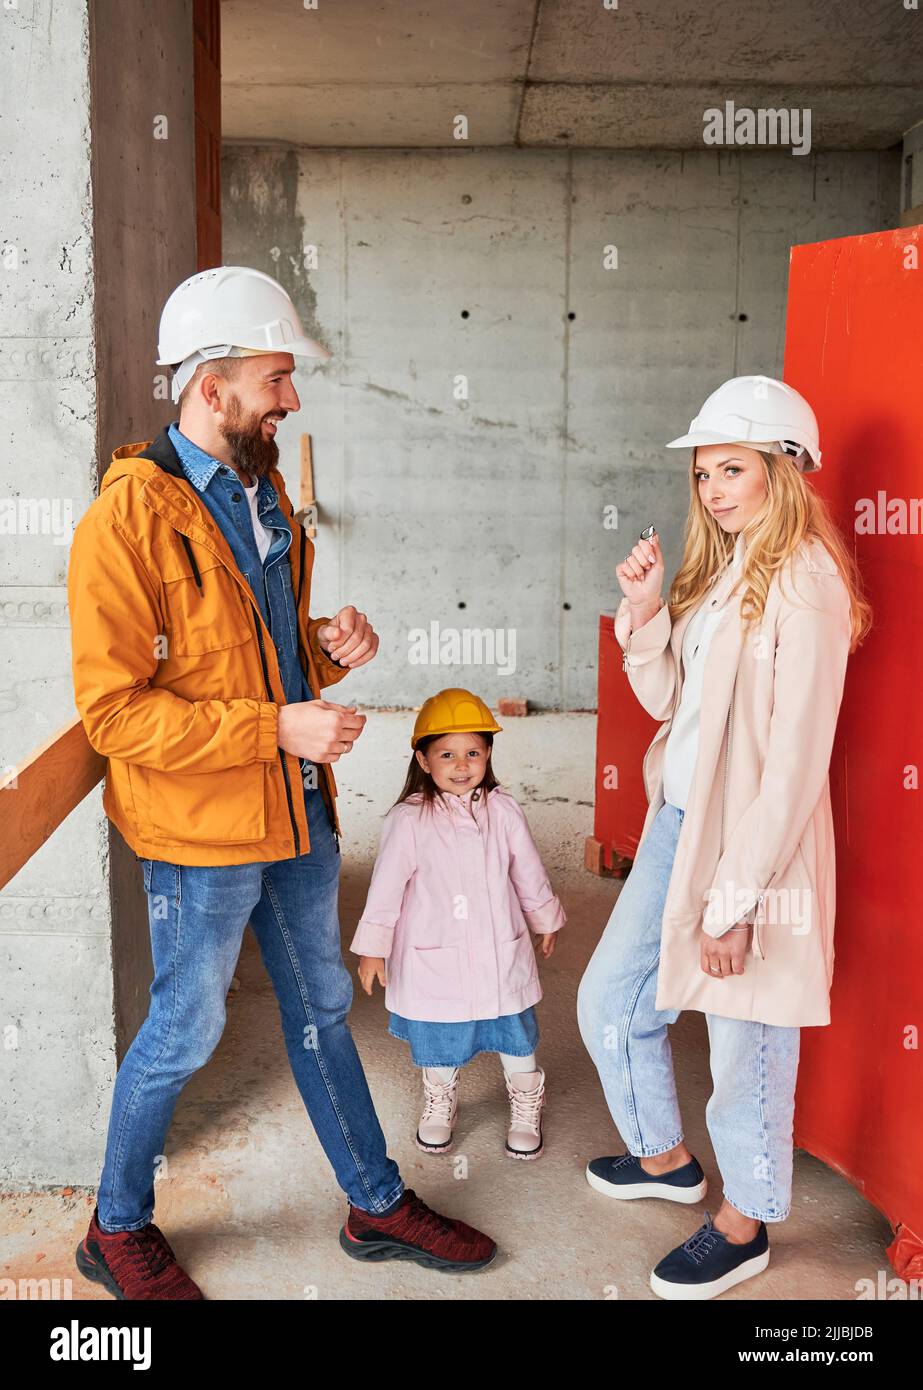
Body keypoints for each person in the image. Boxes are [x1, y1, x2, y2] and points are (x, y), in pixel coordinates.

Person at [67, 267, 496, 1299]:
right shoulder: (122, 525)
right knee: (188, 1027)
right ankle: (113, 1226)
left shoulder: (265, 497)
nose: (292, 397)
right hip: (201, 836)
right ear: (211, 387)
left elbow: (246, 650)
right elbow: (115, 712)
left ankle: (373, 1201)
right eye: (275, 377)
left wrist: (326, 648)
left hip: (297, 815)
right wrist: (276, 724)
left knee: (317, 1014)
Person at [577, 375, 872, 1300]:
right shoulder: (728, 563)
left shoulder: (808, 581)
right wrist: (648, 610)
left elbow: (791, 765)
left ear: (783, 469)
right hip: (678, 821)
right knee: (610, 1002)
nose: (711, 488)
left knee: (746, 1046)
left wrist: (736, 899)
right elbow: (672, 704)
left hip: (750, 846)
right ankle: (665, 1159)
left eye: (732, 468)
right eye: (704, 472)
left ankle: (743, 1224)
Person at [351, 688, 565, 1159]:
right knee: (440, 1038)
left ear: (489, 754)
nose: (462, 764)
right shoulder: (409, 820)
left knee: (515, 1032)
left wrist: (544, 917)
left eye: (473, 752)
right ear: (424, 761)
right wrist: (373, 947)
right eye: (447, 754)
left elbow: (527, 870)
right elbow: (385, 887)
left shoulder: (503, 810)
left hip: (497, 952)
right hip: (436, 956)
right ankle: (440, 1100)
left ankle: (526, 1100)